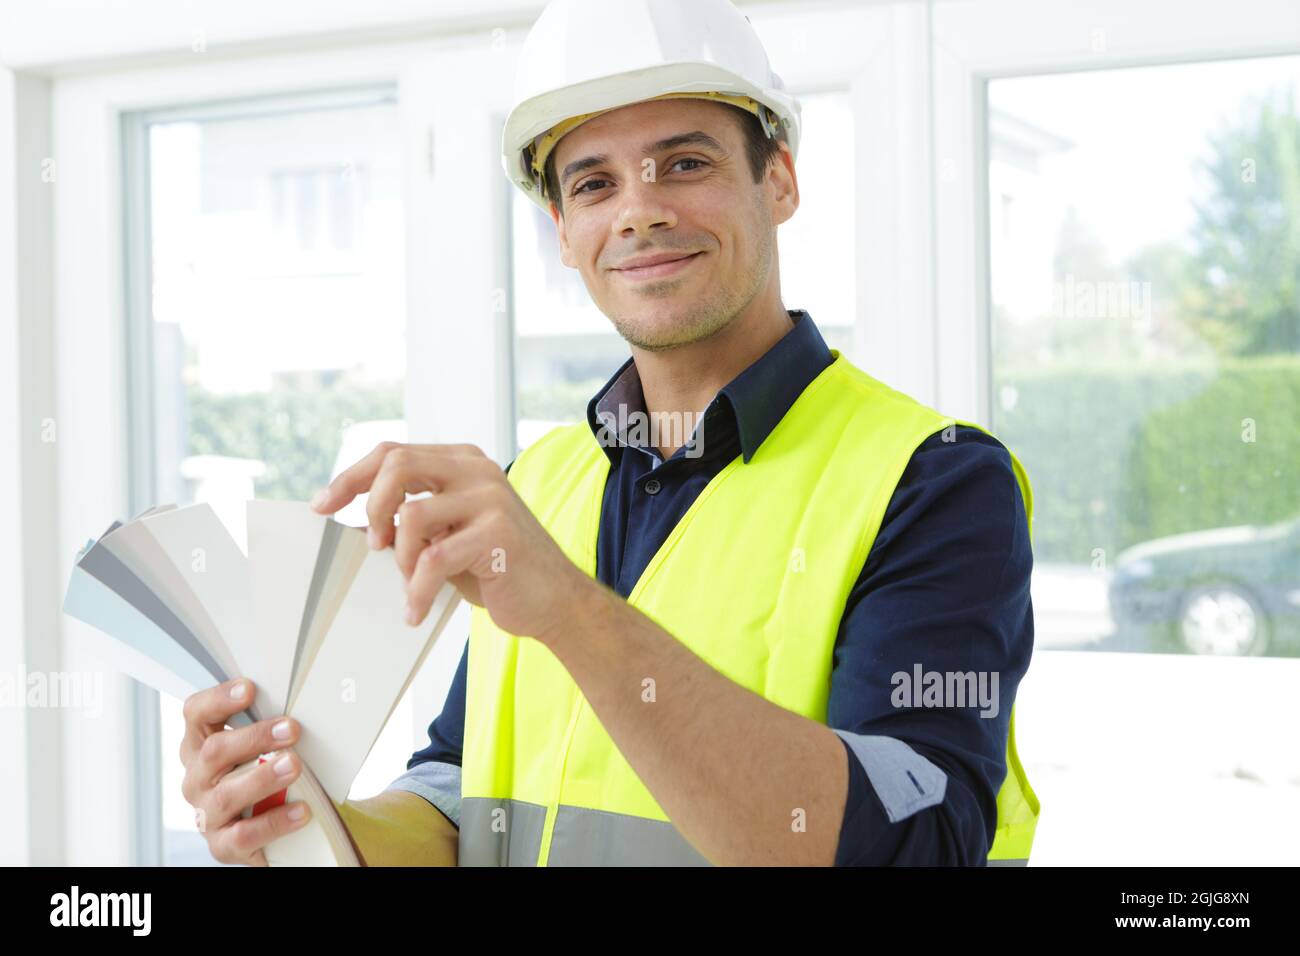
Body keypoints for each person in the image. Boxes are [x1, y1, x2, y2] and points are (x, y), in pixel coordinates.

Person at [179, 0, 1038, 867]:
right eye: (594, 183)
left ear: (778, 179)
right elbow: (460, 796)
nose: (639, 212)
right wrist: (302, 827)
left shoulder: (934, 481)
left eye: (685, 163)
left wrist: (571, 610)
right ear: (562, 230)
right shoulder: (539, 485)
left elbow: (918, 842)